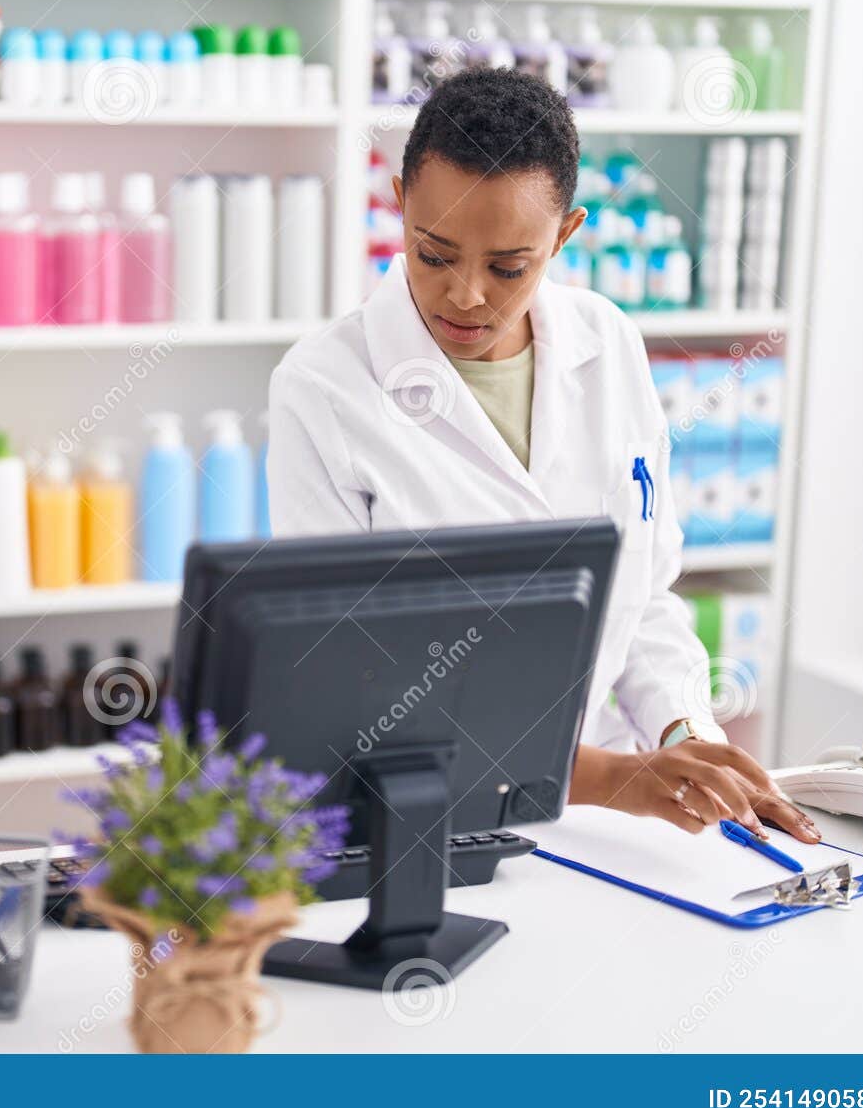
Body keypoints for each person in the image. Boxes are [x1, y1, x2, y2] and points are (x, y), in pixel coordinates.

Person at [268, 68, 818, 844]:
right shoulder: (323, 388)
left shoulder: (610, 342)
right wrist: (609, 778)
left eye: (507, 267)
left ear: (564, 235)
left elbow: (644, 596)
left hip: (611, 829)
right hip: (422, 828)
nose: (464, 294)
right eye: (434, 253)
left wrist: (681, 733)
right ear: (399, 203)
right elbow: (347, 677)